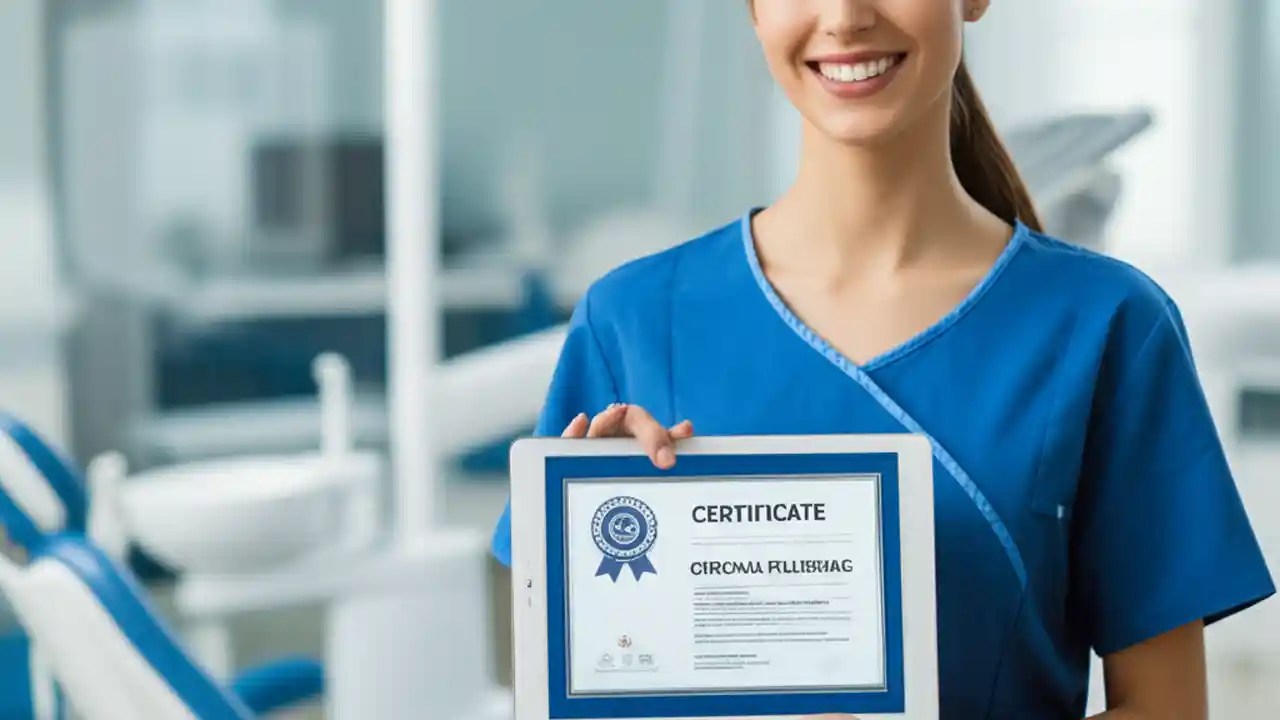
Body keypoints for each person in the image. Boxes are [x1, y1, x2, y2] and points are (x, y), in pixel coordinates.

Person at [489, 1, 1275, 717]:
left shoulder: (1107, 323)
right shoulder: (631, 319)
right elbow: (546, 687)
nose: (845, 15)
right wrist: (588, 579)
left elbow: (1169, 708)